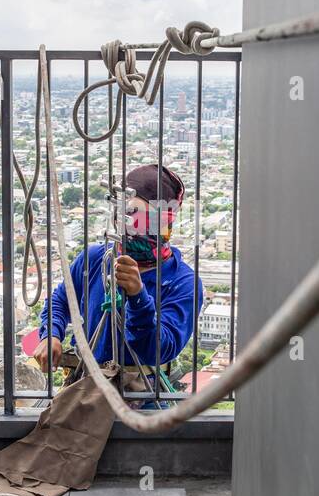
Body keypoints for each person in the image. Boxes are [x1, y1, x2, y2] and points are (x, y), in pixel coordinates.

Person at [33, 164, 201, 392]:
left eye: (134, 215)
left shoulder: (181, 282)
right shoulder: (95, 260)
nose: (124, 224)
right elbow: (62, 300)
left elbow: (162, 348)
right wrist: (51, 333)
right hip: (86, 386)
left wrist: (138, 297)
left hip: (143, 396)